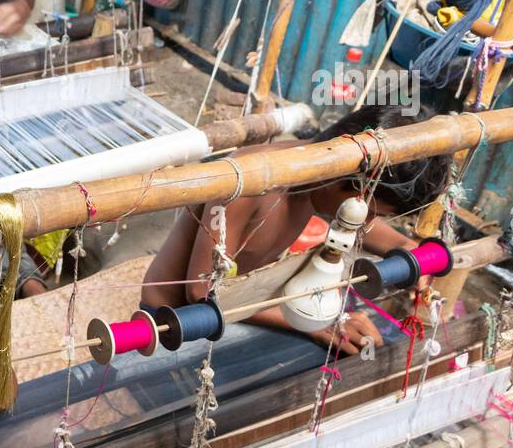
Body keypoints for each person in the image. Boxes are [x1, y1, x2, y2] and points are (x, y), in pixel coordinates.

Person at [143, 104, 452, 356]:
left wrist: (413, 257)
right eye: (368, 210)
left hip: (244, 307)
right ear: (345, 176)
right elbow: (202, 292)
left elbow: (368, 227)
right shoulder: (249, 182)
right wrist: (317, 324)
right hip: (178, 323)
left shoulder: (324, 183)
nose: (366, 220)